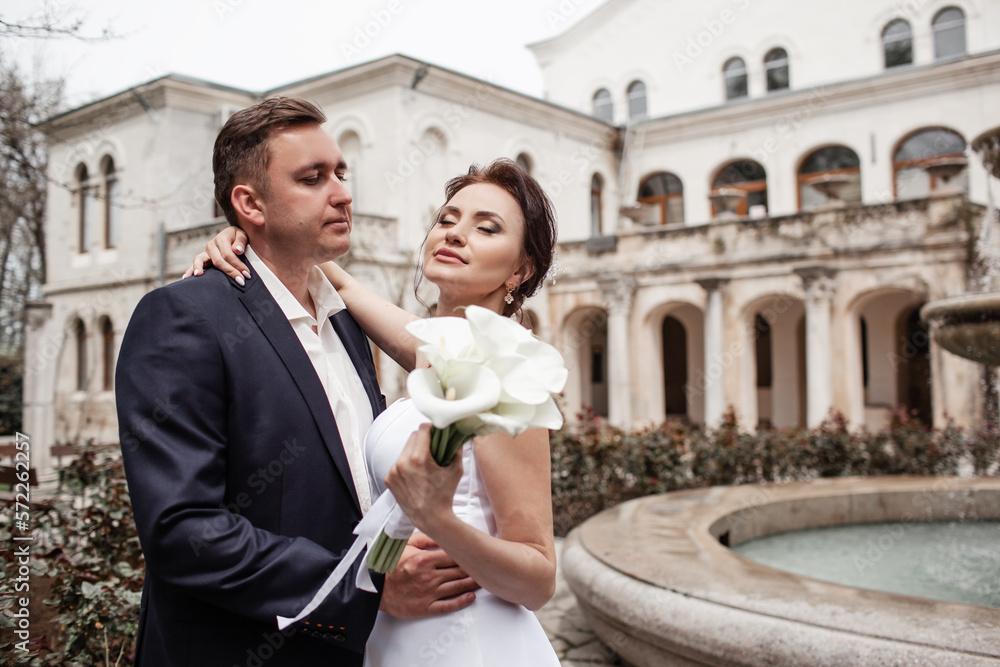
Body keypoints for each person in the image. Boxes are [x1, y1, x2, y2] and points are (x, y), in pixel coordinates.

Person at [116, 97, 476, 667]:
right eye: (312, 178)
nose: (342, 192)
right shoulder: (183, 319)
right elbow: (182, 532)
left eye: (341, 172)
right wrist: (364, 587)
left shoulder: (349, 322)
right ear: (249, 203)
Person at [188, 158, 562, 665]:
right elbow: (335, 282)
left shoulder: (507, 371)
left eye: (487, 227)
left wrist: (437, 519)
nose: (455, 234)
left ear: (520, 269)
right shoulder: (439, 350)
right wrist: (238, 234)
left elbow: (539, 578)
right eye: (447, 219)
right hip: (391, 628)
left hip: (470, 636)